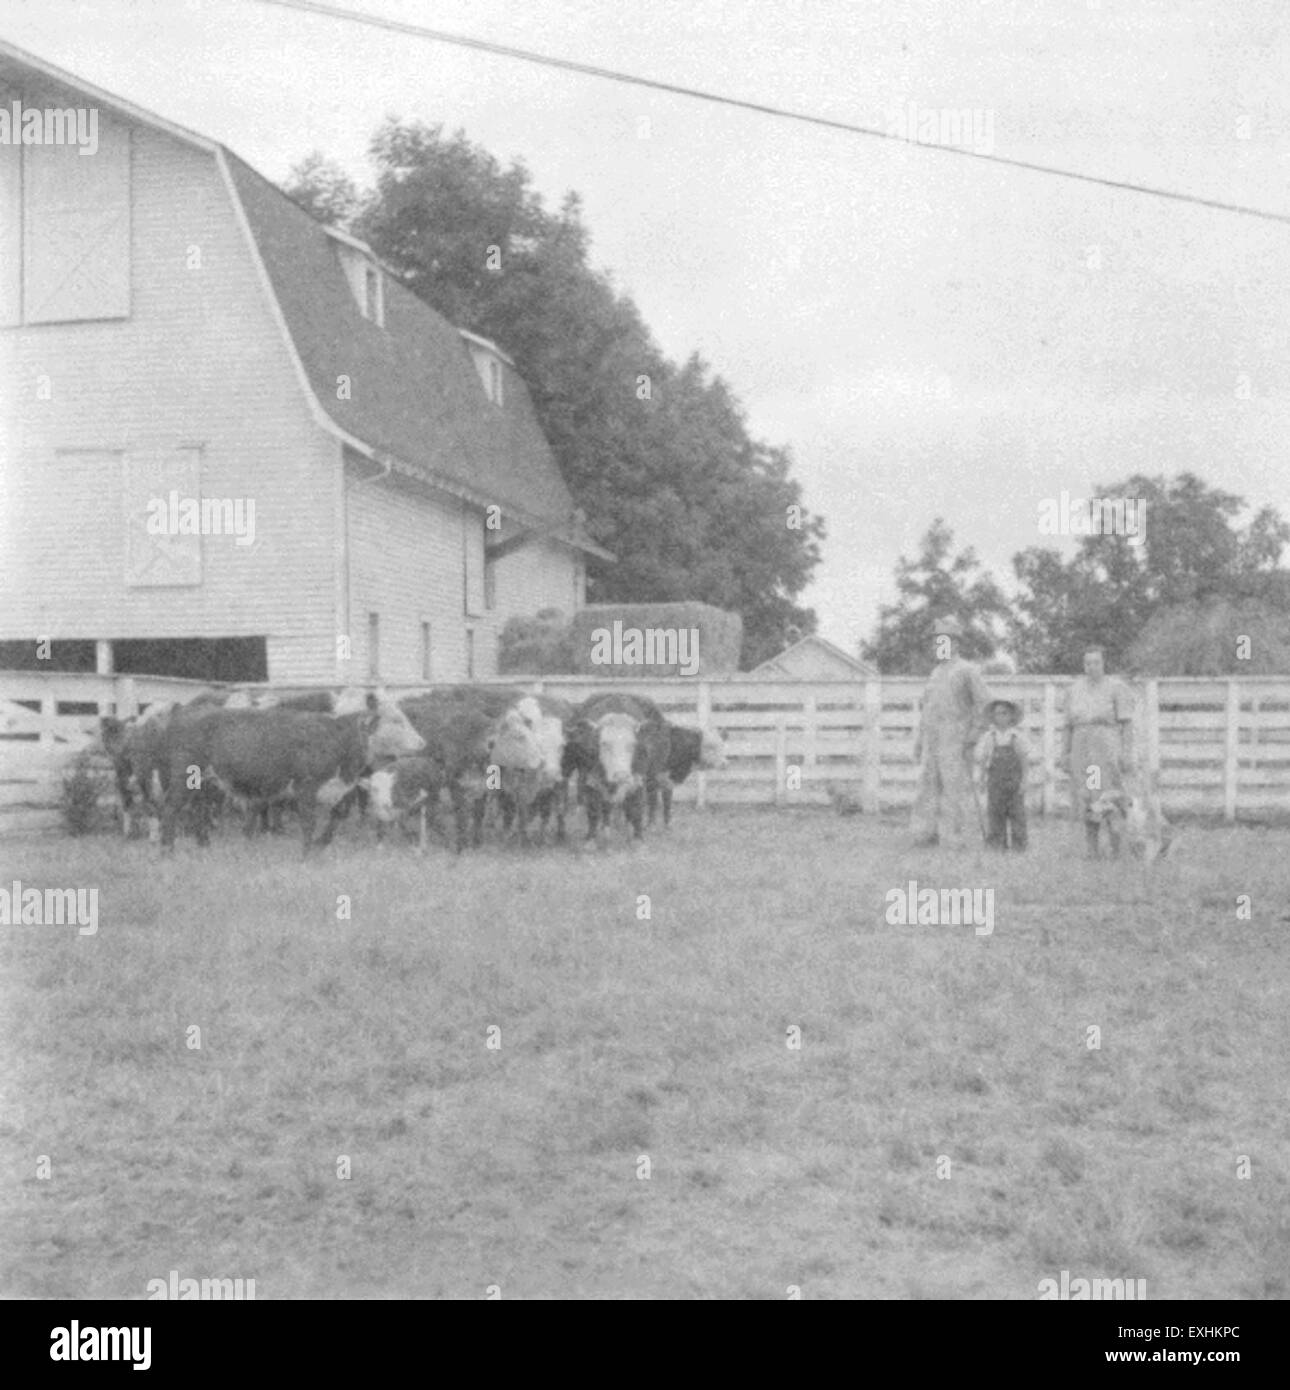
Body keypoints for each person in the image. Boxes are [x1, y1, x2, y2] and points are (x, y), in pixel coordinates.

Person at [910, 616, 993, 849]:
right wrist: (919, 740)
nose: (940, 646)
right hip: (933, 739)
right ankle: (926, 834)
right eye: (937, 642)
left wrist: (973, 736)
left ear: (956, 644)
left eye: (945, 641)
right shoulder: (935, 673)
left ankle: (954, 839)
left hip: (956, 738)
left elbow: (985, 706)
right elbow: (926, 710)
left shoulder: (967, 671)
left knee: (953, 789)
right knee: (927, 787)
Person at [1063, 645, 1136, 858]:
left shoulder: (1116, 688)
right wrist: (1064, 753)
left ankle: (1116, 850)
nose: (1091, 667)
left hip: (1106, 749)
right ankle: (1092, 850)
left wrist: (1126, 753)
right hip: (1083, 749)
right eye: (1087, 663)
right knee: (1089, 797)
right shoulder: (1074, 690)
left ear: (1103, 664)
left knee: (1111, 797)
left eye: (1096, 662)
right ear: (1083, 665)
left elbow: (1127, 724)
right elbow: (1067, 726)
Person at [975, 699, 1030, 851]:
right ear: (993, 717)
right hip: (995, 782)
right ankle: (997, 846)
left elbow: (1024, 761)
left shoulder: (1017, 737)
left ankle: (1019, 847)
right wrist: (981, 780)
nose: (1001, 717)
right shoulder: (989, 737)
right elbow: (983, 760)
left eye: (1004, 713)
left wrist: (1024, 781)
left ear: (1011, 716)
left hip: (1014, 782)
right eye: (997, 714)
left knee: (1017, 814)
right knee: (995, 814)